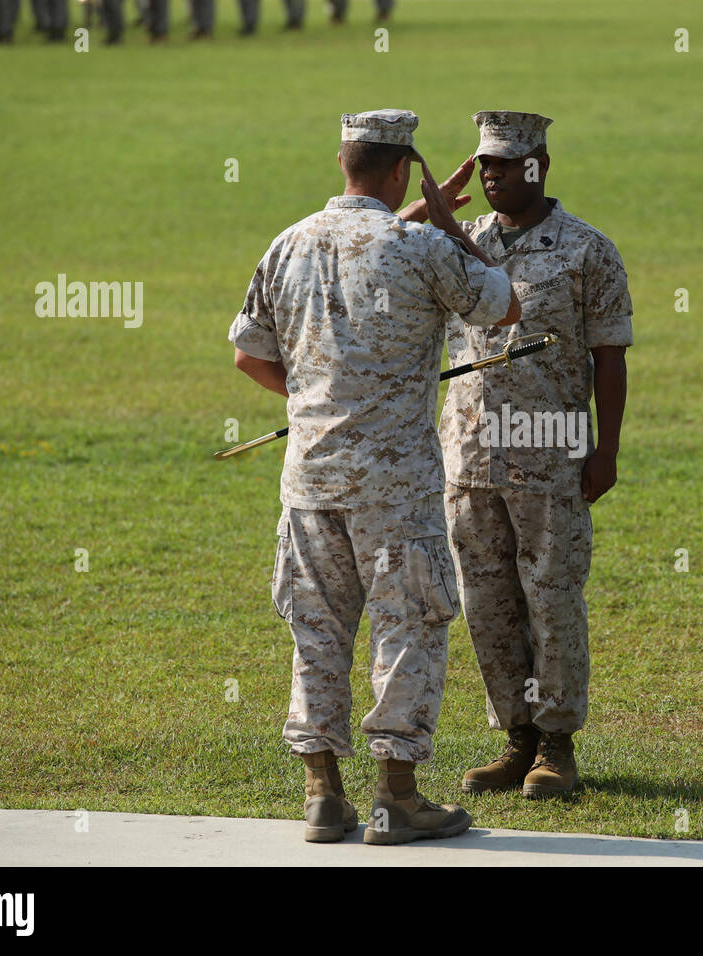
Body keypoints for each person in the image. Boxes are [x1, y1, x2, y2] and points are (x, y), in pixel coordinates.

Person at [228, 109, 520, 845]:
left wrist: (317, 402)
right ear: (402, 173)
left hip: (309, 481)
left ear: (342, 162)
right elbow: (504, 302)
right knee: (409, 626)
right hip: (396, 490)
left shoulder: (289, 243)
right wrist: (449, 223)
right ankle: (396, 796)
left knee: (317, 633)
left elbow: (249, 354)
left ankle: (322, 793)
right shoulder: (422, 246)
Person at [403, 110, 632, 798]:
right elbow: (377, 257)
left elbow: (609, 357)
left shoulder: (585, 249)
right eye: (486, 164)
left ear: (541, 165)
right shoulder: (453, 240)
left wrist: (606, 449)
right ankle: (516, 738)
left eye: (508, 163)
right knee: (487, 601)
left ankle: (557, 746)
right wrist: (422, 214)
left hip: (552, 455)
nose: (495, 175)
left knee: (552, 596)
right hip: (468, 457)